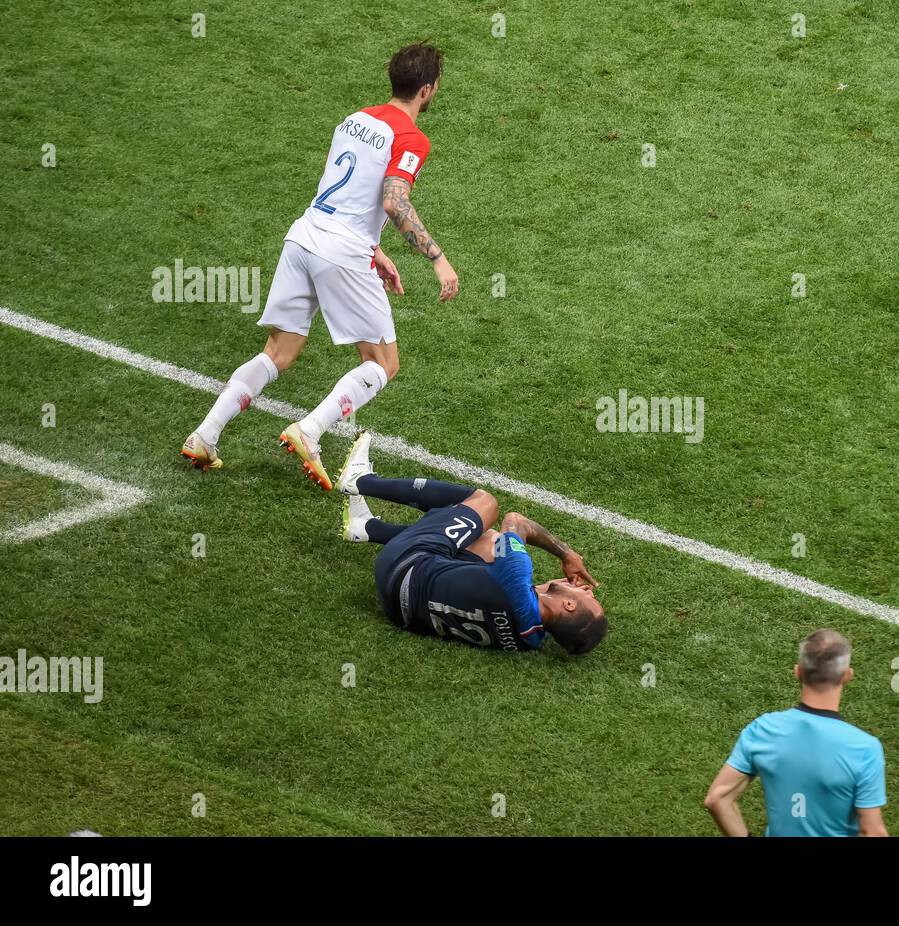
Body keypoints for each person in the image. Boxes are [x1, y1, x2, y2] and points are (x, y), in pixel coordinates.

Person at [181, 41, 460, 489]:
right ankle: (309, 431)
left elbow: (345, 194)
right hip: (341, 252)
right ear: (426, 90)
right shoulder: (411, 137)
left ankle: (205, 435)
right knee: (382, 363)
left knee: (278, 352)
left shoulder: (354, 120)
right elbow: (393, 200)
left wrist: (375, 251)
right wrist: (438, 259)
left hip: (306, 236)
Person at [335, 432, 607, 655]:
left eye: (589, 598)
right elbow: (530, 595)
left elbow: (517, 522)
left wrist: (566, 553)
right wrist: (558, 587)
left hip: (402, 563)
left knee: (486, 507)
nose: (588, 591)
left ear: (569, 607)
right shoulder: (530, 640)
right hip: (399, 611)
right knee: (489, 547)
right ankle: (369, 528)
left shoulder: (514, 577)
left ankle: (361, 481)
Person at [704, 629, 888, 836]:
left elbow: (717, 799)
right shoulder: (863, 748)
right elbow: (872, 831)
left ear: (798, 672)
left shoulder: (762, 730)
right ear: (847, 676)